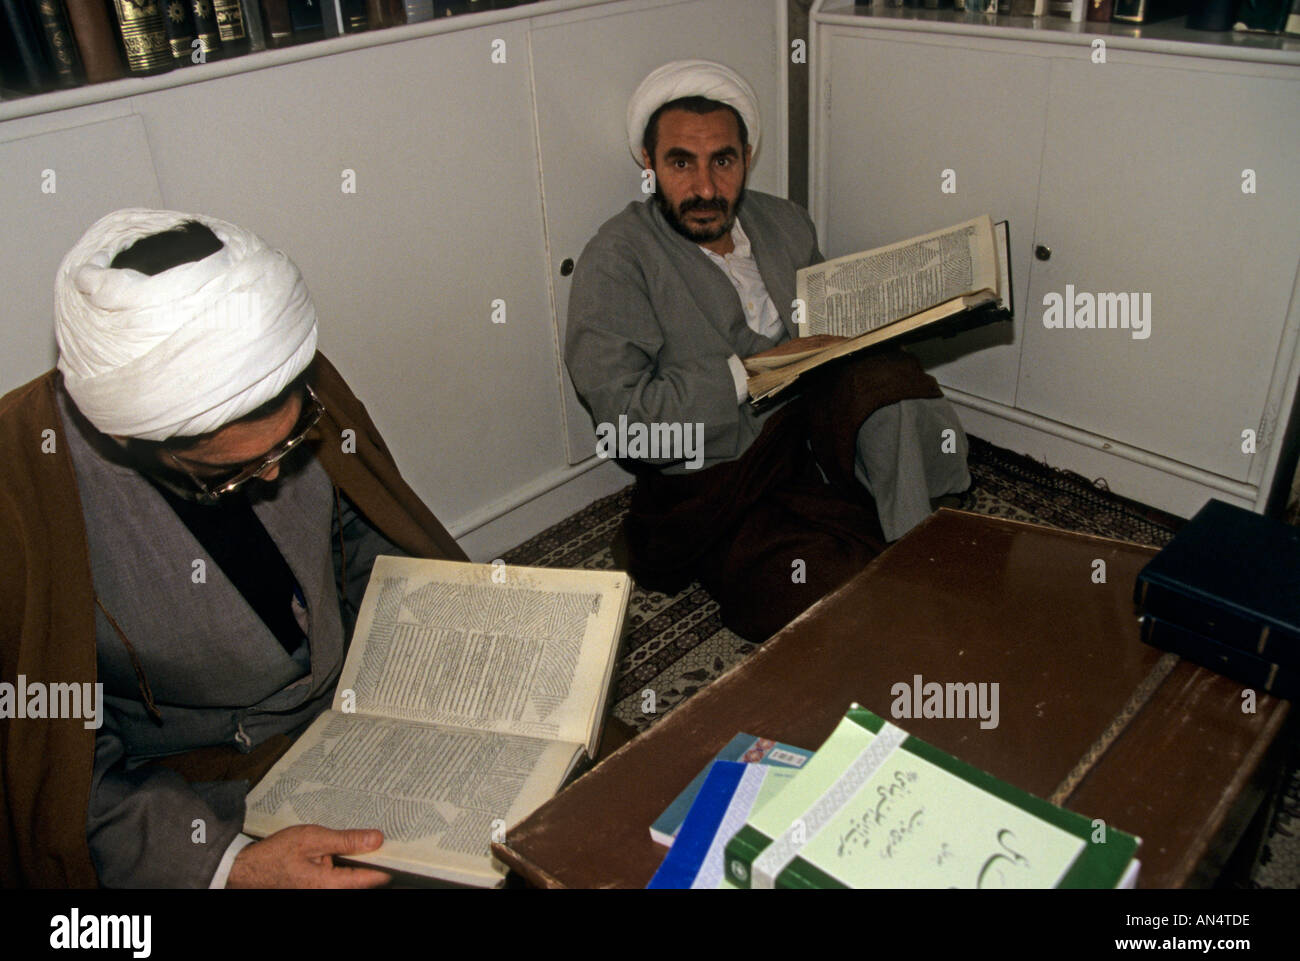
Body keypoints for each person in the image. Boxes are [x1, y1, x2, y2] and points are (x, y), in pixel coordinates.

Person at [0, 209, 466, 887]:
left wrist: (426, 666)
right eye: (237, 470)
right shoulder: (22, 488)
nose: (277, 474)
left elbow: (365, 538)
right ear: (133, 439)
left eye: (288, 443)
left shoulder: (273, 368)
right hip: (199, 785)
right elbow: (65, 767)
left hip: (360, 711)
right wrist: (228, 867)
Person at [565, 60, 971, 642]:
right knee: (828, 595)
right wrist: (745, 375)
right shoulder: (616, 259)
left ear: (746, 158)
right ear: (649, 165)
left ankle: (914, 543)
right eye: (682, 162)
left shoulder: (783, 222)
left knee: (888, 385)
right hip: (723, 481)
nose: (705, 188)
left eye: (722, 161)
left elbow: (833, 327)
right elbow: (628, 424)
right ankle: (870, 553)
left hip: (808, 434)